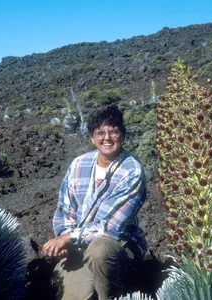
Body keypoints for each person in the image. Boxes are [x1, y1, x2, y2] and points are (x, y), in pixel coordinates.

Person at [42, 105, 147, 300]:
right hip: (80, 246)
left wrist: (68, 238)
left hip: (120, 245)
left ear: (122, 135)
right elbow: (65, 210)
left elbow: (111, 227)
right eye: (100, 133)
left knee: (99, 249)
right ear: (92, 138)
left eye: (113, 131)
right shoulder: (78, 165)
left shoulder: (132, 171)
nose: (107, 138)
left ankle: (115, 295)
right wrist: (65, 238)